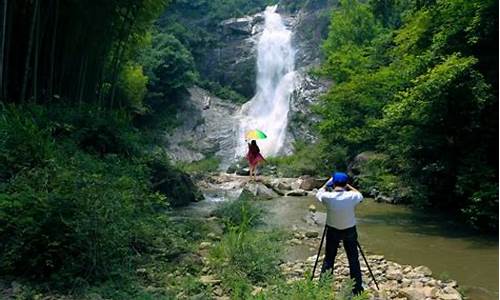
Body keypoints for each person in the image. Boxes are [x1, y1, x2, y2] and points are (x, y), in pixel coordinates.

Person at [315, 172, 364, 295]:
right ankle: (357, 289)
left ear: (334, 183)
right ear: (345, 183)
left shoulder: (327, 197)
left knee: (329, 259)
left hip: (332, 230)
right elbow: (359, 194)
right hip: (350, 230)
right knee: (353, 259)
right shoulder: (352, 196)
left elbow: (319, 192)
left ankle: (324, 287)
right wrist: (348, 186)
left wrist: (327, 183)